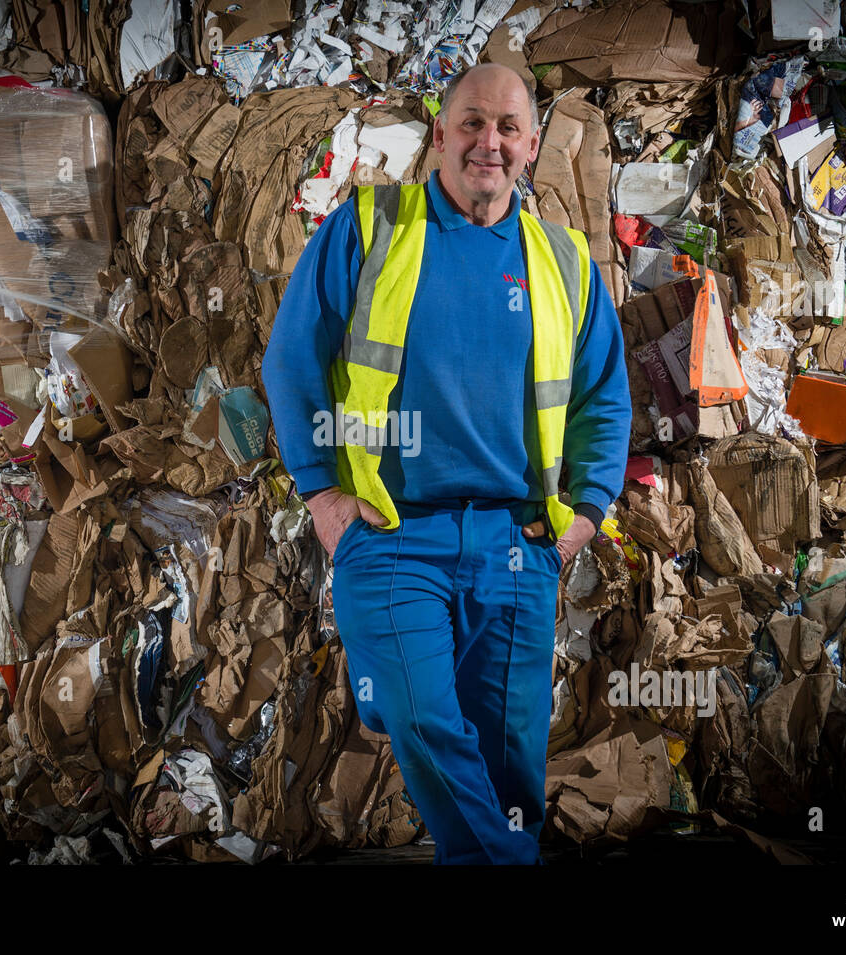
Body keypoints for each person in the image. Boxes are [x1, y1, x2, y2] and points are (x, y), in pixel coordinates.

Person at [260, 62, 631, 864]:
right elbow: (291, 361)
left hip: (517, 545)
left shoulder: (563, 262)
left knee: (509, 771)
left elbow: (605, 394)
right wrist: (323, 496)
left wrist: (586, 516)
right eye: (469, 122)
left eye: (505, 128)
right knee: (422, 718)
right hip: (392, 535)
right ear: (439, 133)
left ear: (531, 146)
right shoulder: (369, 227)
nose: (486, 142)